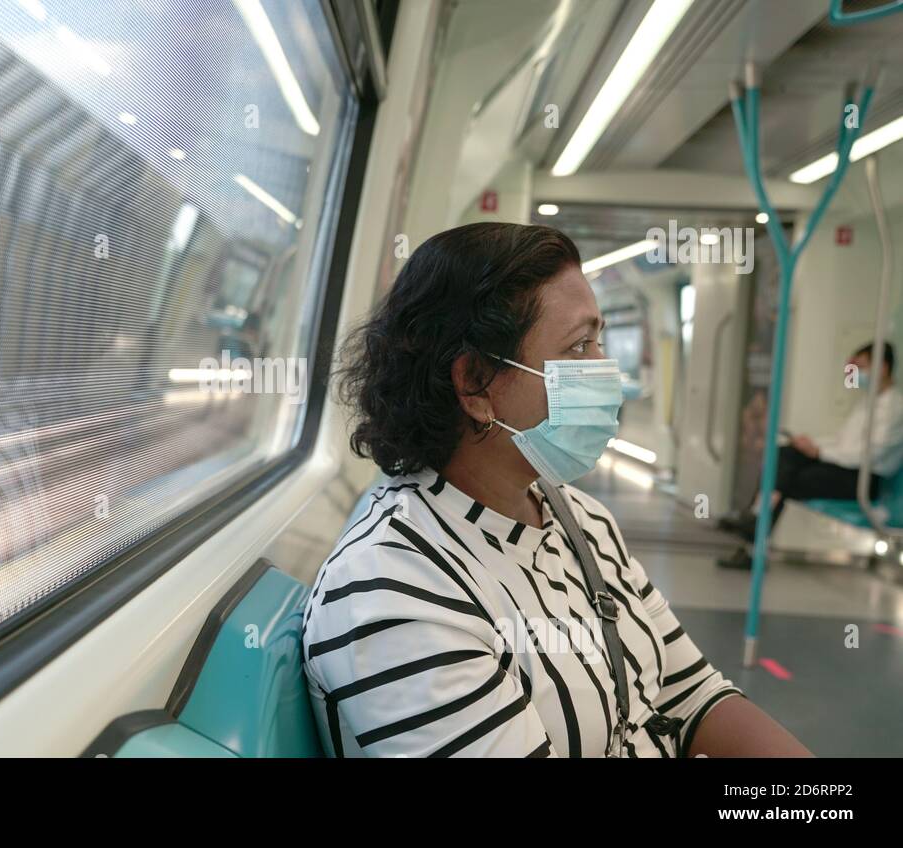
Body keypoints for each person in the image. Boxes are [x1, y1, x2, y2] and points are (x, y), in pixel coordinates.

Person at [302, 222, 810, 757]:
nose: (604, 371)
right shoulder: (396, 591)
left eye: (600, 340)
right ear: (476, 384)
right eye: (577, 347)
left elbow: (691, 694)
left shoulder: (578, 518)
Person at [717, 342, 903, 568]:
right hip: (845, 469)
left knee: (782, 477)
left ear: (882, 368)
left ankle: (754, 531)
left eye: (860, 367)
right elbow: (844, 442)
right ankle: (754, 530)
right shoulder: (867, 402)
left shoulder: (894, 407)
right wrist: (812, 445)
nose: (856, 374)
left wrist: (819, 452)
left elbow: (869, 455)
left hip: (863, 480)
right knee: (783, 455)